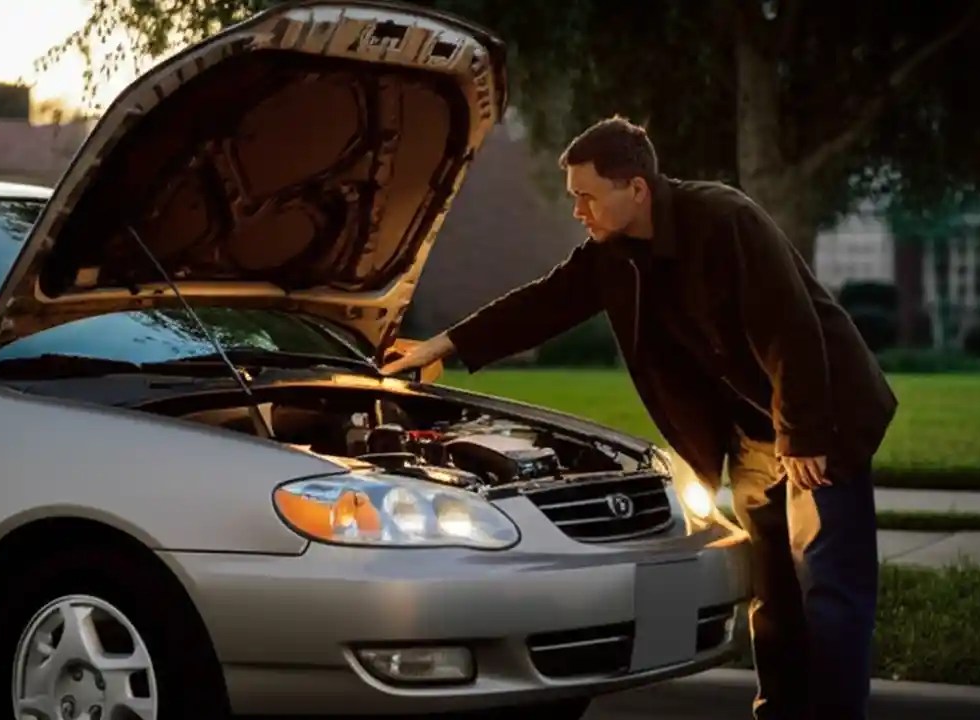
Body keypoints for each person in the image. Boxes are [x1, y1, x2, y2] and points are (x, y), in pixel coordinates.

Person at [381, 115, 898, 720]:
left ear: (637, 188)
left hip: (820, 419)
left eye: (587, 195)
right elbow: (546, 302)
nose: (579, 210)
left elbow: (793, 329)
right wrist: (443, 346)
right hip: (755, 438)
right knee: (776, 598)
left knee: (830, 593)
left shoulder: (725, 220)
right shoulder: (614, 253)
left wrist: (805, 434)